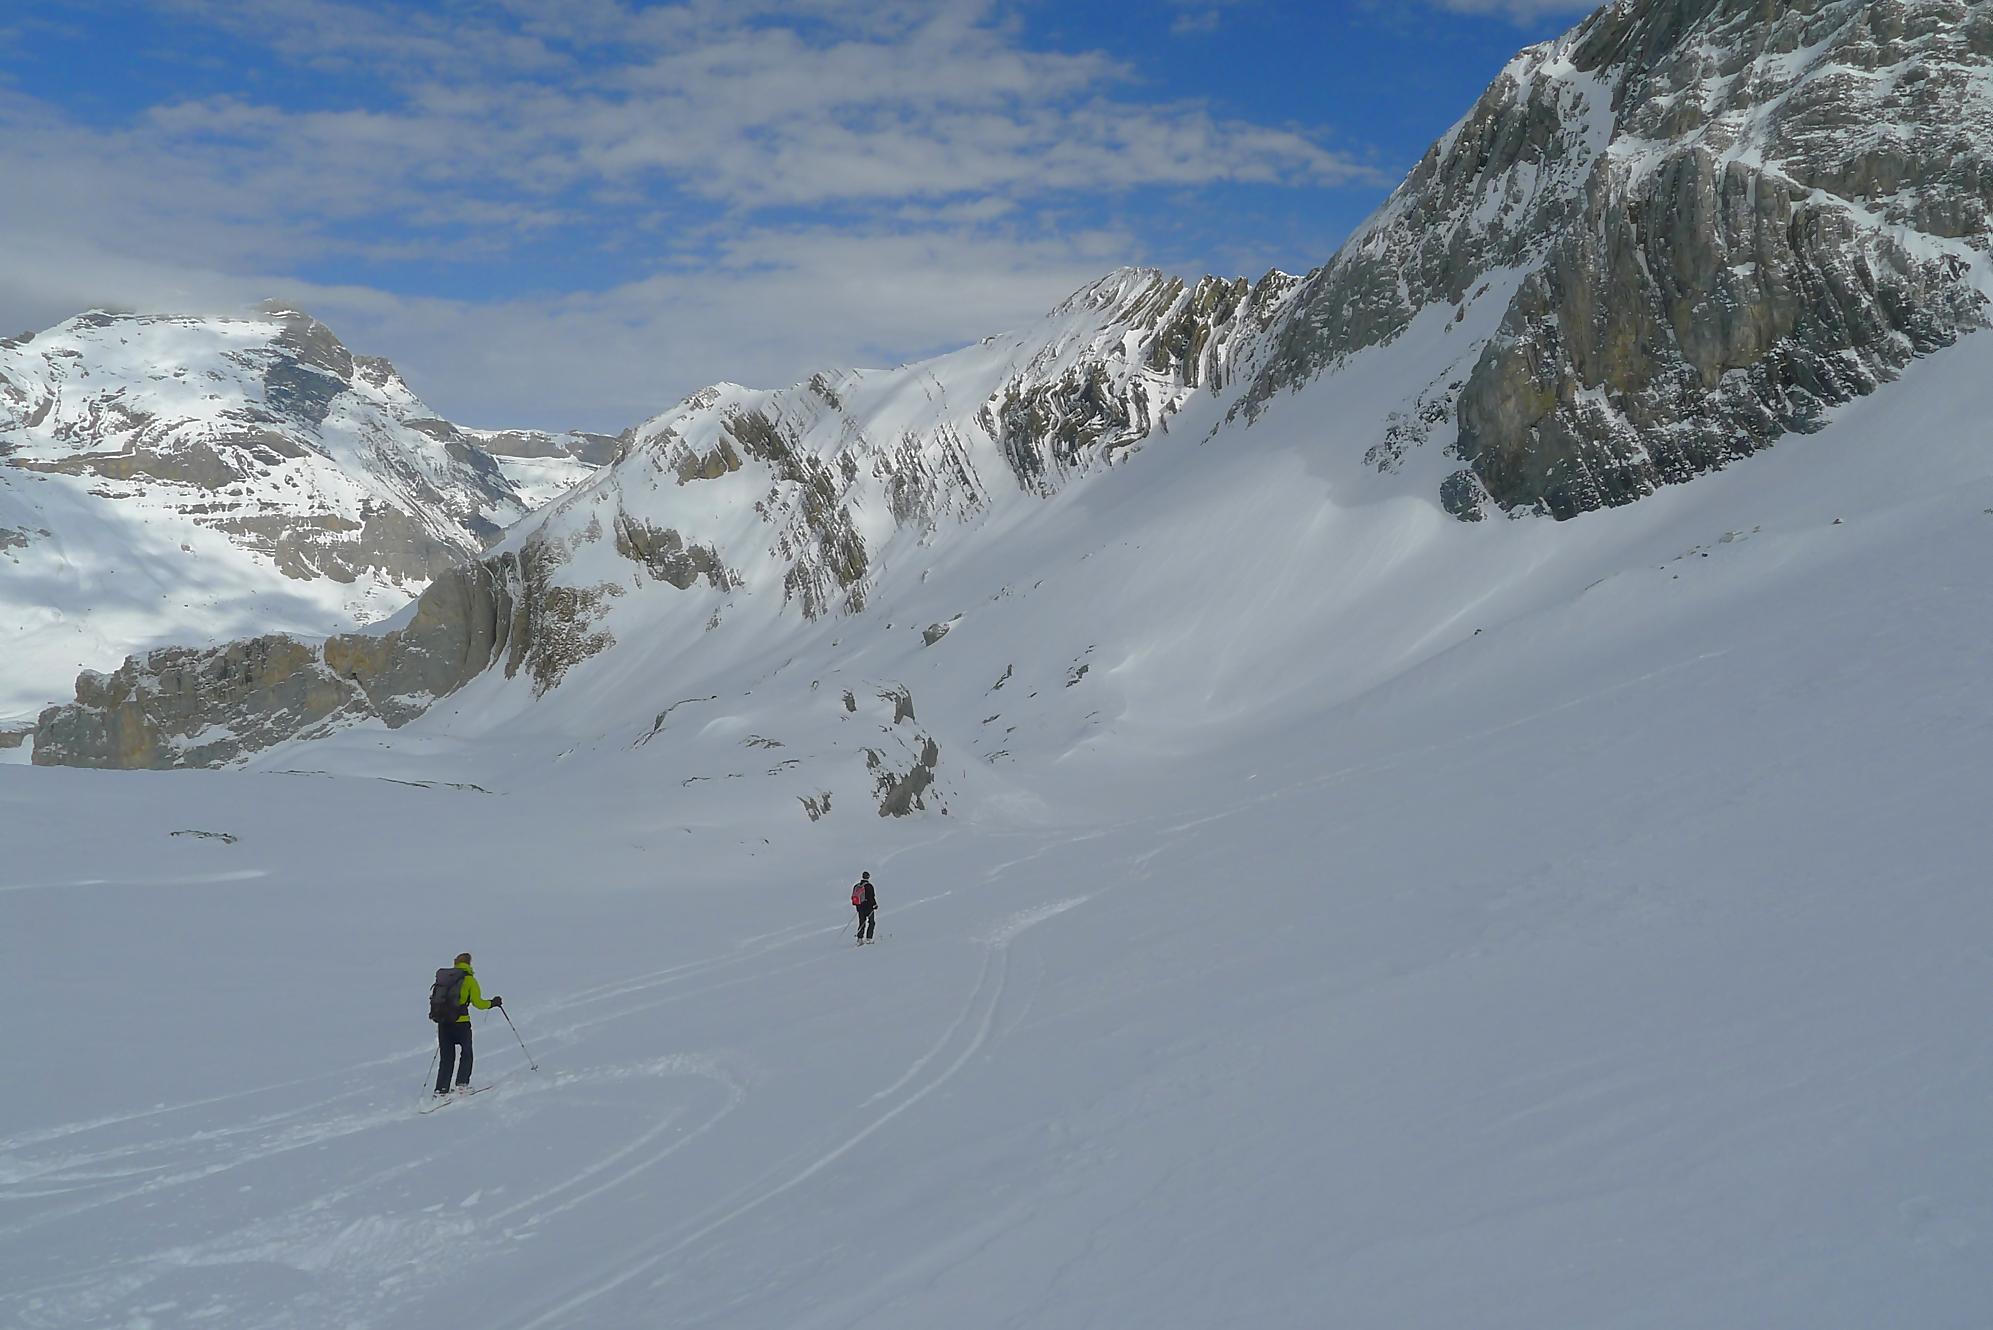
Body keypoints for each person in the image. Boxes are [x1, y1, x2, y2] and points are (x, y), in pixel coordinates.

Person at [431, 951, 501, 1096]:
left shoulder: (444, 979)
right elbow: (479, 1003)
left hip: (444, 1023)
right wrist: (493, 1003)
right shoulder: (469, 980)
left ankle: (441, 1090)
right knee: (466, 1053)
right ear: (469, 963)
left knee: (446, 1057)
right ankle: (462, 1085)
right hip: (461, 1023)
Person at [850, 871, 877, 944]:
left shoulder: (856, 886)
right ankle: (869, 938)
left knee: (861, 922)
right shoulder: (869, 886)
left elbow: (853, 897)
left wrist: (858, 907)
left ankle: (860, 938)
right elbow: (871, 897)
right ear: (868, 877)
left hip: (860, 908)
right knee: (871, 922)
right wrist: (875, 905)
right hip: (869, 908)